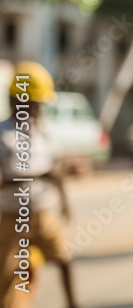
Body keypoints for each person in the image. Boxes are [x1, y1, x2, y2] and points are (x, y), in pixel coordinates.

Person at [0, 61, 77, 308]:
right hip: (11, 218)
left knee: (64, 259)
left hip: (42, 213)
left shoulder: (41, 133)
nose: (39, 109)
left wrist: (65, 201)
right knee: (7, 281)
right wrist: (36, 176)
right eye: (35, 103)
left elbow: (53, 172)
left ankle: (74, 304)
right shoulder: (3, 137)